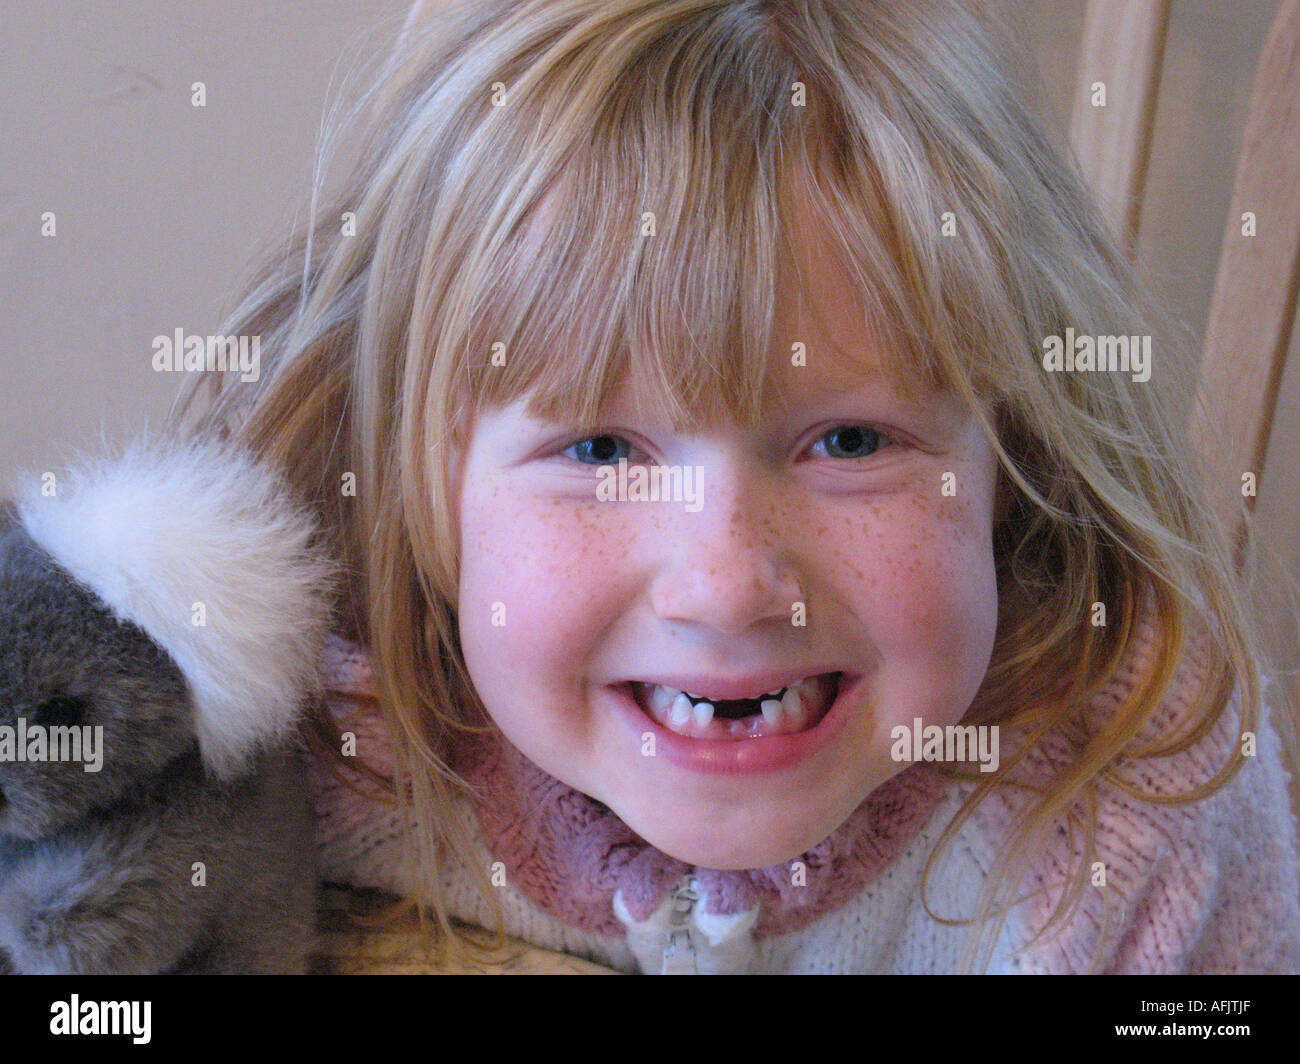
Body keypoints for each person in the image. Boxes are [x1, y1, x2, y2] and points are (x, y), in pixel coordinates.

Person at [179, 0, 1300, 973]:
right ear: (418, 475)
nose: (724, 587)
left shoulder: (1125, 807)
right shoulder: (333, 715)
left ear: (1017, 463)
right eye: (603, 451)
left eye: (853, 440)